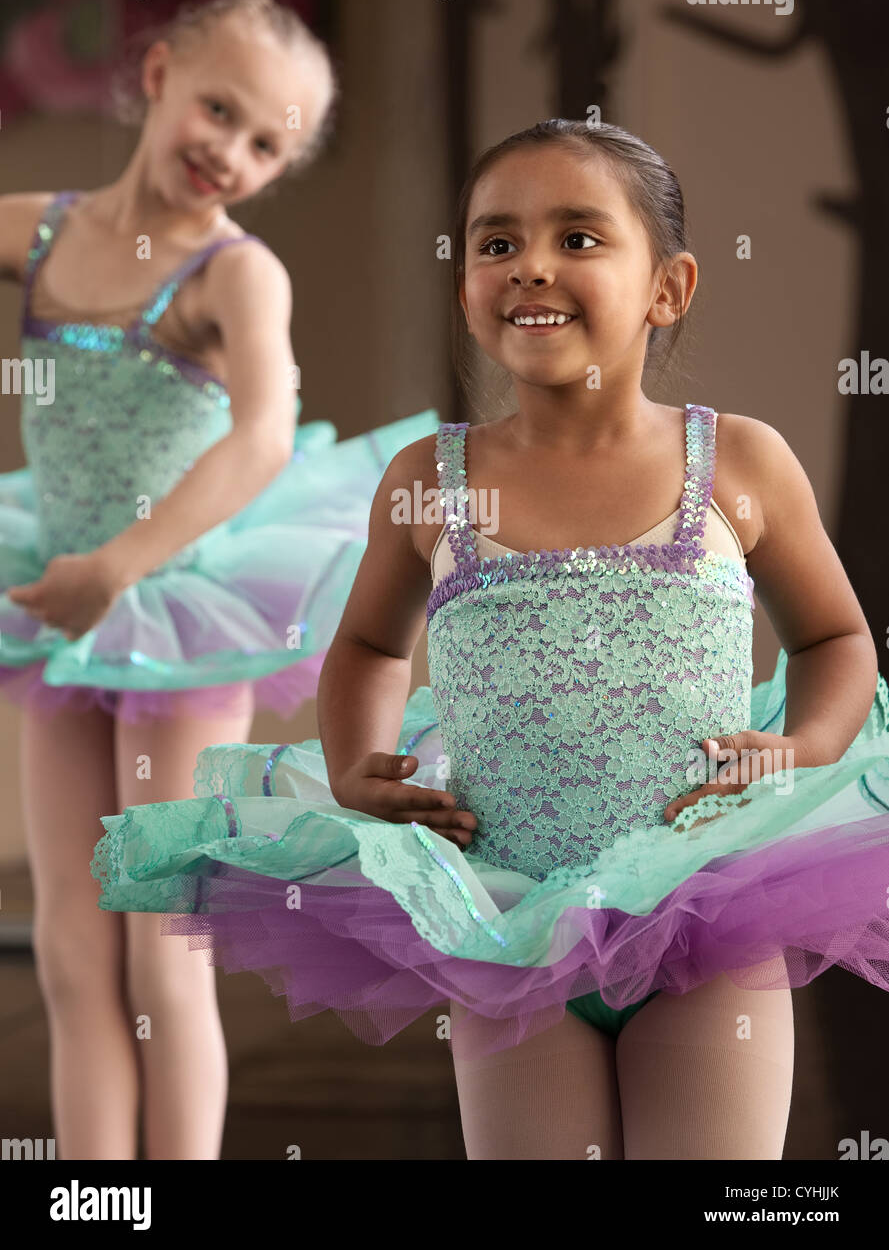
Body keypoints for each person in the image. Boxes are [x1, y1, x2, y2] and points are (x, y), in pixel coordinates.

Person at [91, 120, 889, 1160]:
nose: (531, 267)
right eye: (496, 242)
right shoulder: (431, 479)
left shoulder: (739, 461)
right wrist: (356, 765)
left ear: (669, 287)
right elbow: (369, 647)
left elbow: (834, 636)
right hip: (502, 924)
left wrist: (804, 749)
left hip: (705, 911)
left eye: (578, 238)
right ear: (465, 286)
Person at [0, 0, 436, 1159]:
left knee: (161, 938)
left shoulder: (235, 275)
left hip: (178, 610)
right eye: (219, 110)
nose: (232, 152)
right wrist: (83, 580)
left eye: (267, 146)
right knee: (72, 939)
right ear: (156, 77)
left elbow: (259, 437)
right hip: (61, 595)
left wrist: (117, 568)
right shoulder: (40, 232)